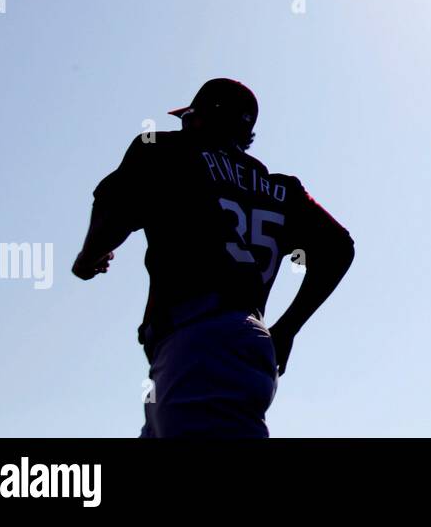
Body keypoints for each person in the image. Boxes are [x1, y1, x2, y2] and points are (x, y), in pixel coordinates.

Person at [72, 78, 355, 437]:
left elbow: (111, 211)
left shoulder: (166, 148)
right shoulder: (283, 190)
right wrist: (287, 329)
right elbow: (339, 248)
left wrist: (87, 258)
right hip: (240, 345)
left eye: (188, 116)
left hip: (198, 341)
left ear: (198, 119)